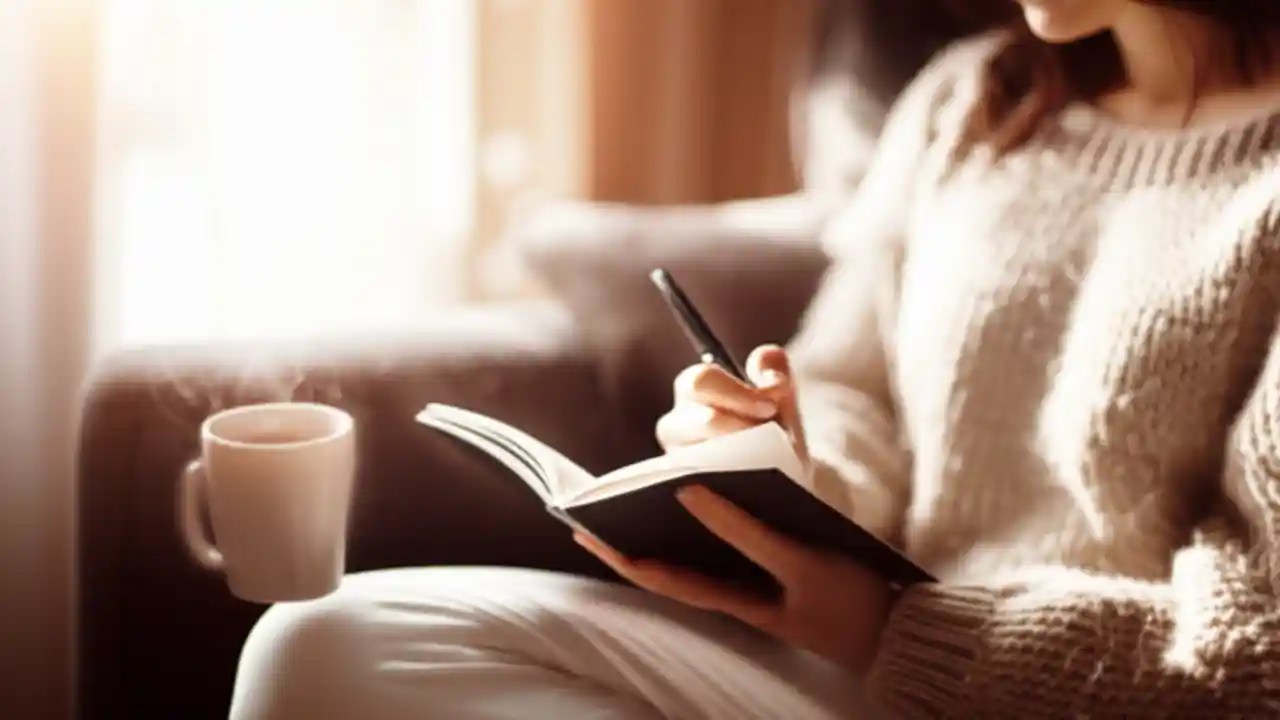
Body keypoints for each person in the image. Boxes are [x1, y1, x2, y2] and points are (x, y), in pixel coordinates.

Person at [230, 1, 1280, 717]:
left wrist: (891, 629)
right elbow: (852, 380)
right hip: (849, 665)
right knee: (327, 644)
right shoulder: (974, 100)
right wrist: (791, 462)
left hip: (1009, 686)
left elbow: (1254, 658)